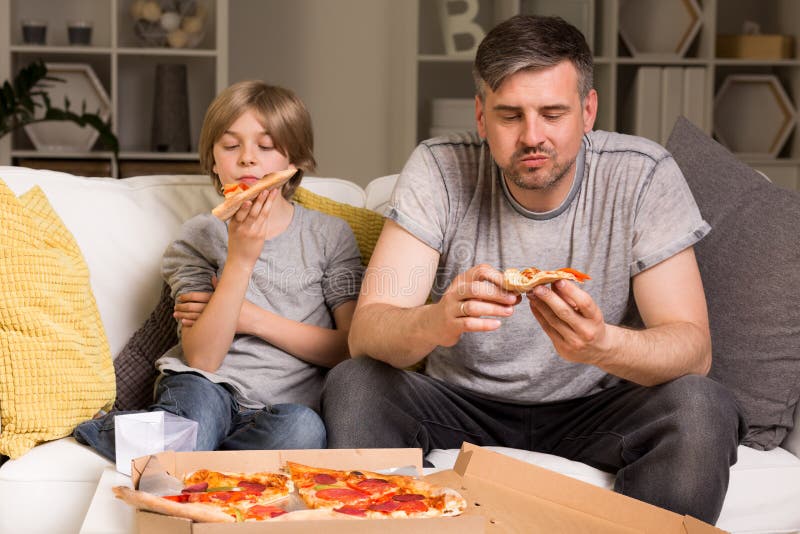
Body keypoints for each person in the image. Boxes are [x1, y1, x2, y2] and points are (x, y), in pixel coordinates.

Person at [322, 15, 744, 524]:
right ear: (481, 117)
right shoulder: (439, 167)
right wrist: (434, 322)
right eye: (510, 116)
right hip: (460, 406)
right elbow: (366, 333)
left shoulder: (642, 174)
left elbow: (692, 349)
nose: (532, 136)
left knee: (702, 405)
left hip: (595, 410)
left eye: (552, 113)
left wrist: (601, 345)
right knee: (355, 383)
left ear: (587, 111)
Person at [75, 81, 362, 459]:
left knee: (305, 430)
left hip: (279, 409)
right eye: (230, 145)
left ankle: (192, 452)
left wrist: (251, 318)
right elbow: (202, 359)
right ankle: (145, 436)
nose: (247, 159)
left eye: (266, 145)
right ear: (213, 160)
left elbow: (351, 347)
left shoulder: (330, 235)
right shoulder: (199, 236)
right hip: (204, 387)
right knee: (194, 416)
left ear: (293, 161)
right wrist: (241, 259)